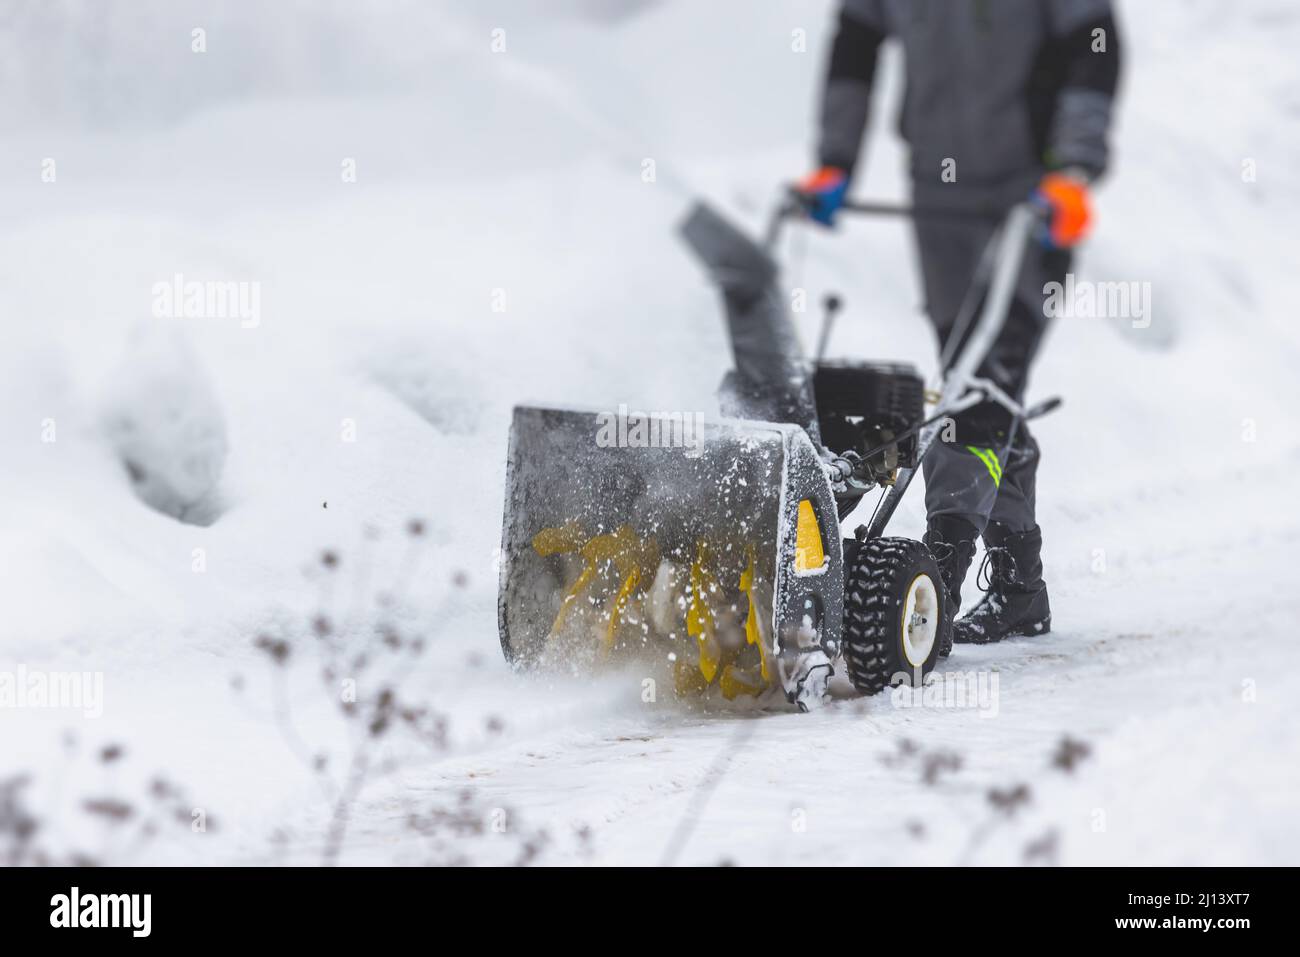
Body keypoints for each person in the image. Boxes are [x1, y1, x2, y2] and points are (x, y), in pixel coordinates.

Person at [796, 0, 1121, 645]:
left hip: (1033, 195)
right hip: (937, 192)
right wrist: (836, 158)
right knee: (977, 382)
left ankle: (938, 576)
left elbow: (1095, 41)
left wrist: (1075, 168)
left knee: (984, 382)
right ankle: (1019, 591)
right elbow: (856, 43)